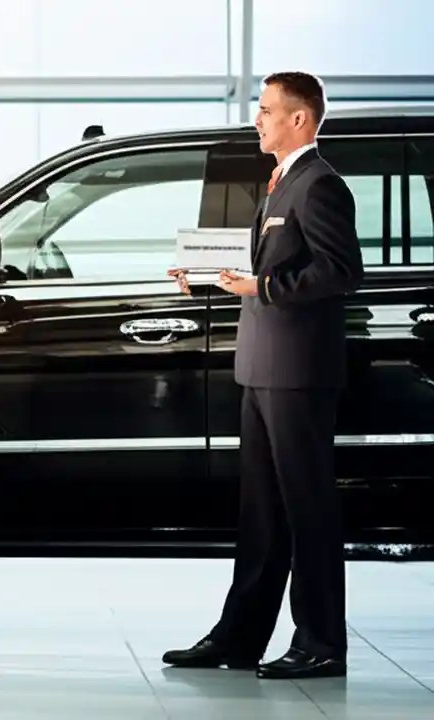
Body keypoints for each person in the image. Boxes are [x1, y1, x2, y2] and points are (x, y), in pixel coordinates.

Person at [164, 71, 363, 680]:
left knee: (308, 510)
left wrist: (266, 287)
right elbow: (265, 263)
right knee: (262, 514)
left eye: (268, 110)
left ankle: (322, 641)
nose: (258, 119)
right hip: (262, 367)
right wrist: (213, 275)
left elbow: (340, 271)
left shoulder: (319, 185)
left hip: (298, 373)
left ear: (299, 119)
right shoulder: (281, 185)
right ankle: (240, 636)